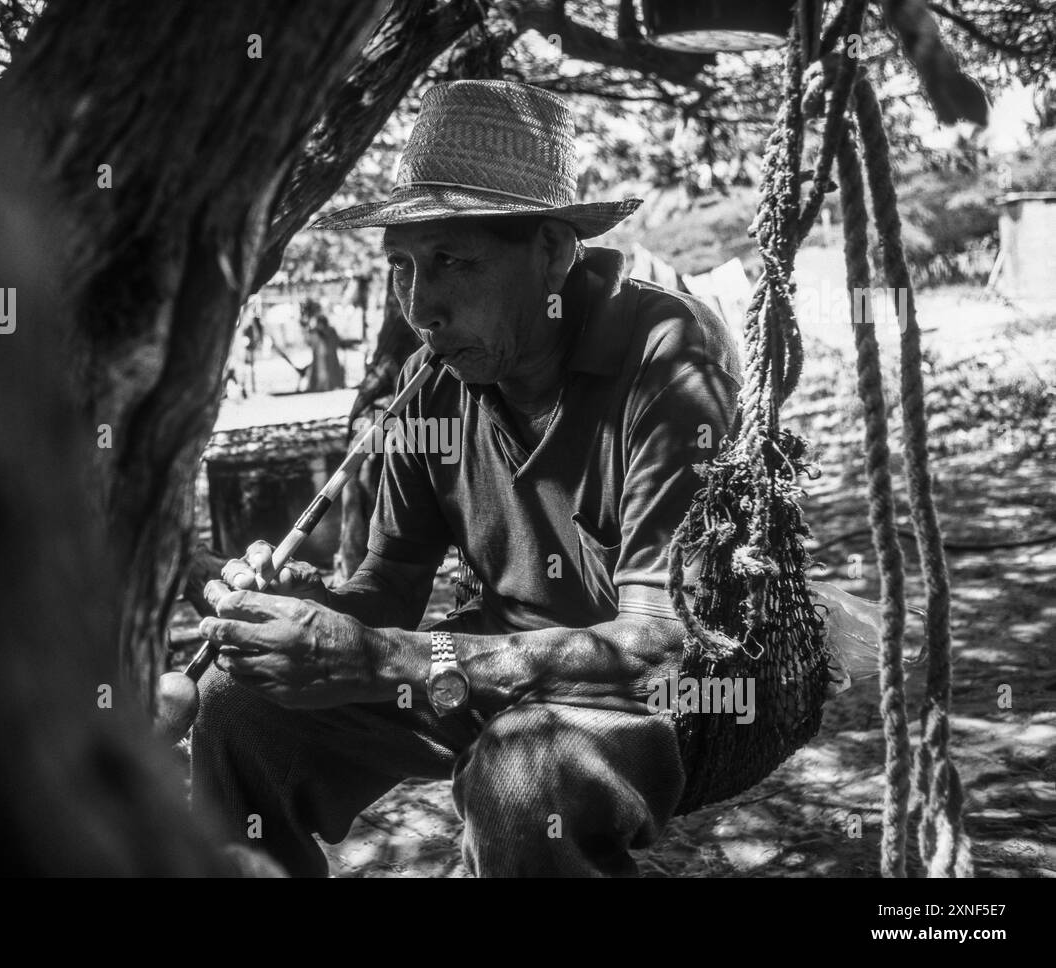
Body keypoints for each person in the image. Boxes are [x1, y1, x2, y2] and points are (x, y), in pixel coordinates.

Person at [173, 80, 743, 877]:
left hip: (651, 697)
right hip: (479, 666)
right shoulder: (430, 386)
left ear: (551, 250)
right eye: (402, 266)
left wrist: (385, 656)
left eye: (450, 261)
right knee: (239, 711)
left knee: (522, 771)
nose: (421, 306)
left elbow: (659, 645)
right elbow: (389, 587)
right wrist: (301, 618)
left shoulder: (667, 356)